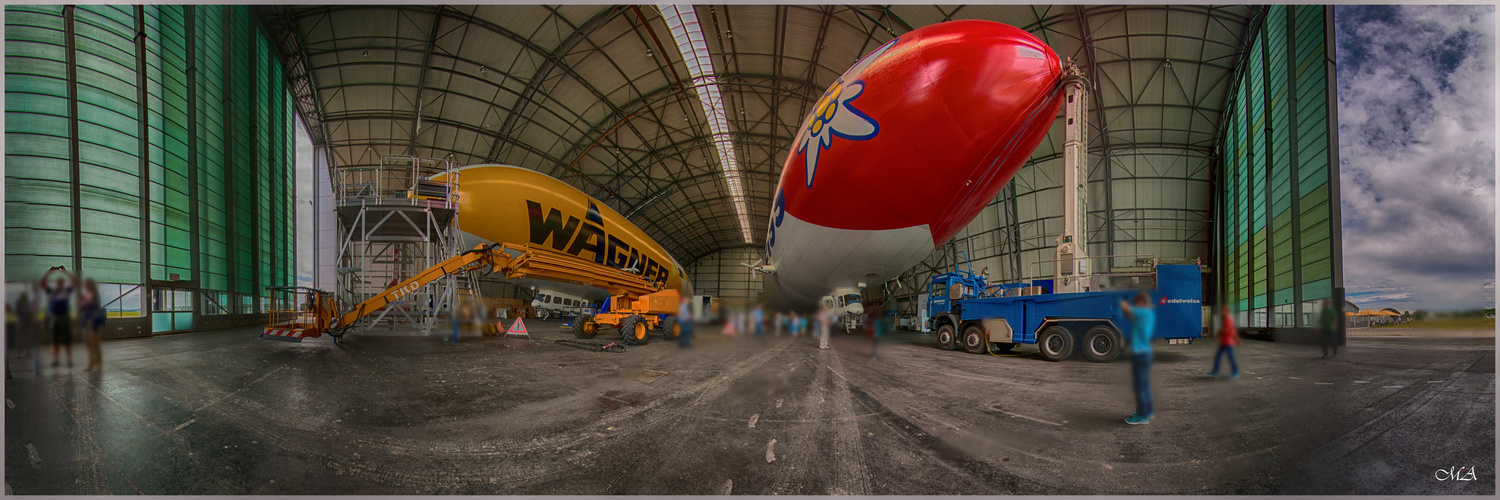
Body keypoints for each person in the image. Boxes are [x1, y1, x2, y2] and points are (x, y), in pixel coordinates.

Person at [1120, 291, 1156, 425]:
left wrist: (1122, 301)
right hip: (1145, 353)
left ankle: (1142, 416)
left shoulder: (1142, 312)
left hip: (1140, 354)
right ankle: (1147, 411)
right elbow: (1131, 315)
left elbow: (1127, 309)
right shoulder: (1147, 314)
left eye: (1137, 303)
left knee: (1140, 386)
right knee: (1144, 384)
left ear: (1142, 302)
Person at [40, 266, 77, 368]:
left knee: (67, 340)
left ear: (63, 283)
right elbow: (42, 283)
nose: (60, 283)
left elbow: (74, 282)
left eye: (61, 282)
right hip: (54, 318)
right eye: (58, 282)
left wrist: (65, 272)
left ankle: (69, 360)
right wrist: (48, 273)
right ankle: (56, 360)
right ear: (56, 284)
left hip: (64, 317)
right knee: (55, 340)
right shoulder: (51, 292)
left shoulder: (66, 291)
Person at [78, 279, 105, 371]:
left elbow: (96, 306)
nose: (85, 286)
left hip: (94, 322)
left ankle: (98, 363)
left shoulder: (95, 294)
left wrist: (86, 303)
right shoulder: (84, 295)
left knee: (95, 344)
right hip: (86, 321)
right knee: (89, 344)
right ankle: (90, 363)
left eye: (87, 284)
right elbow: (81, 307)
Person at [1206, 304, 1239, 378]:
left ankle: (1235, 372)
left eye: (1222, 310)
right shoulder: (1227, 320)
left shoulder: (1228, 320)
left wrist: (1219, 332)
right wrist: (1237, 339)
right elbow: (1233, 331)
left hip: (1228, 342)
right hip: (1224, 342)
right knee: (1218, 356)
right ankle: (1215, 371)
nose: (1221, 312)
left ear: (1226, 311)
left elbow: (1226, 330)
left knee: (1230, 357)